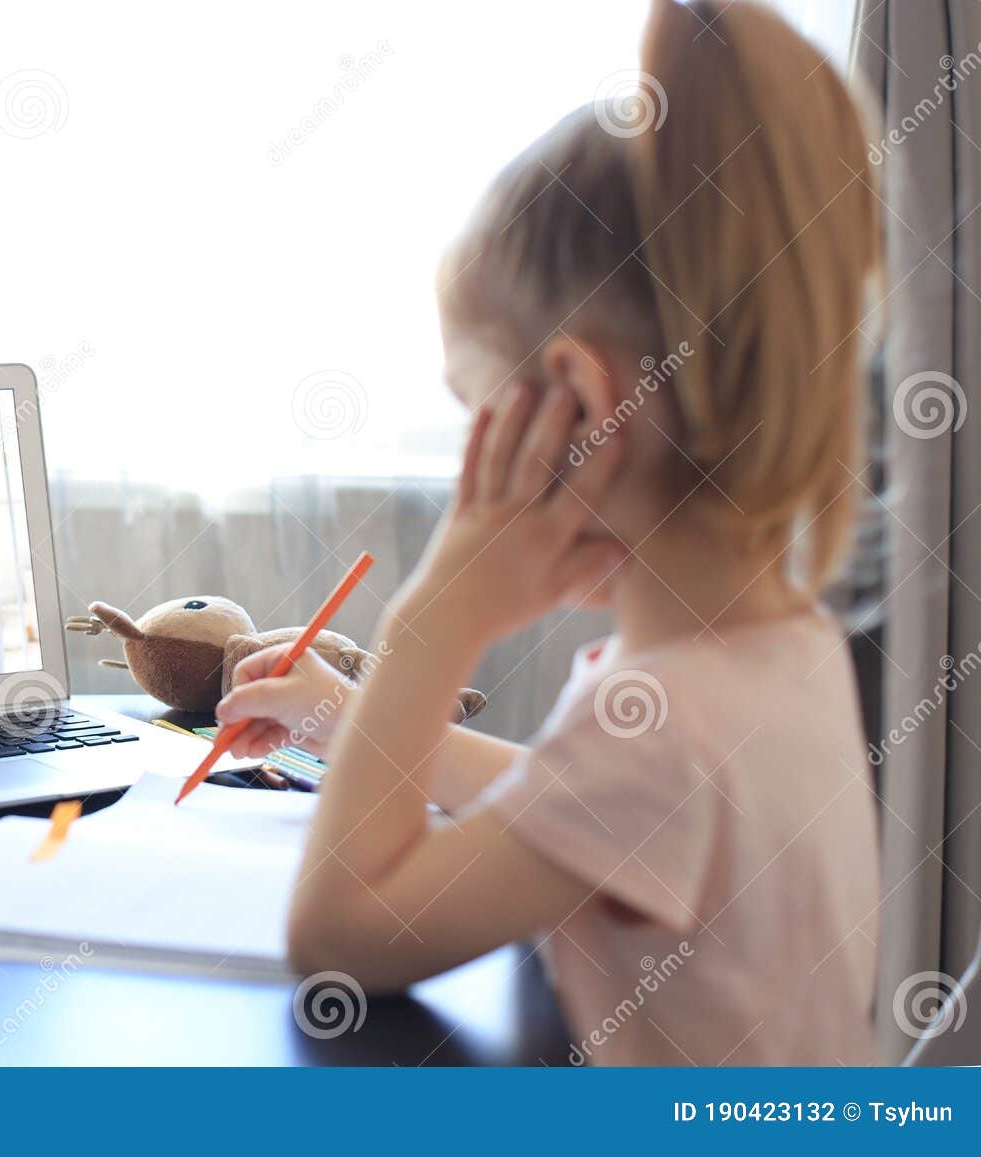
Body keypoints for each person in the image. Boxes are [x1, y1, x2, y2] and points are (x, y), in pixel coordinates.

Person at [217, 0, 882, 1064]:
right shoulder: (766, 650)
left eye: (474, 405)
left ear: (575, 403)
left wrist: (434, 617)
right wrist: (346, 718)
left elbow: (335, 936)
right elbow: (565, 814)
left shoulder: (661, 725)